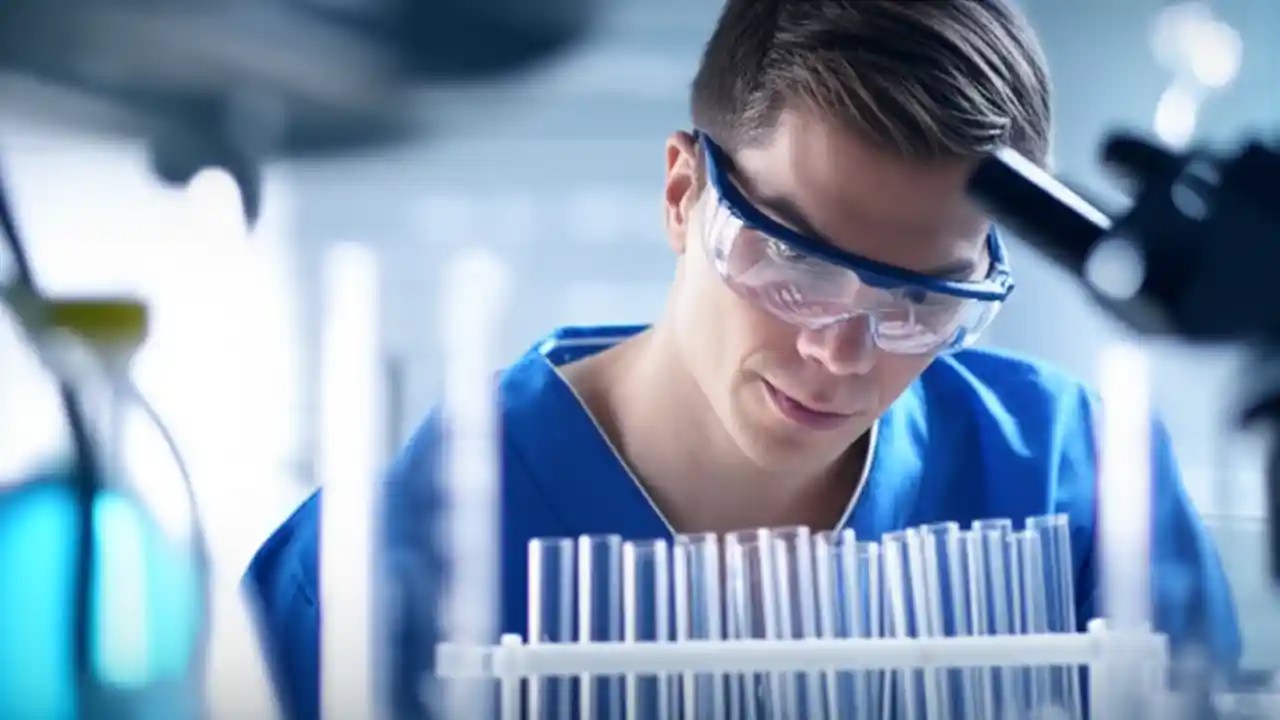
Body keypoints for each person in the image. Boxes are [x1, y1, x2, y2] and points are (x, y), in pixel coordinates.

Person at [244, 1, 1241, 717]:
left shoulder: (1080, 487)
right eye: (793, 258)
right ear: (682, 196)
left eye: (920, 298)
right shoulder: (361, 575)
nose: (838, 352)